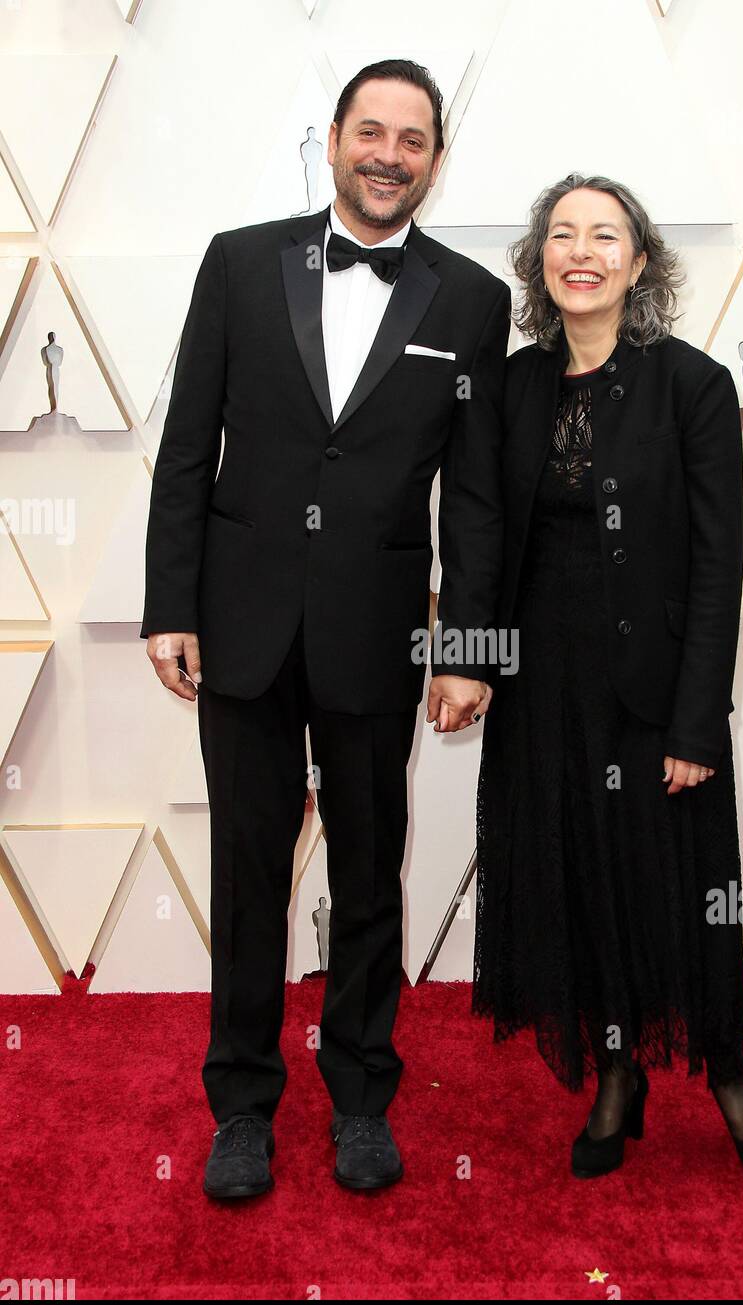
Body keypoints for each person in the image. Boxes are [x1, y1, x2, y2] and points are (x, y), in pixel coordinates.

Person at [141, 59, 510, 1196]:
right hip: (241, 620)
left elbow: (480, 491)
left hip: (377, 628)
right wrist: (170, 604)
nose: (388, 155)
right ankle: (242, 1103)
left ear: (435, 161)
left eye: (412, 139)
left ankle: (361, 1093)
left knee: (369, 870)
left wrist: (467, 643)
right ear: (335, 139)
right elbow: (187, 443)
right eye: (371, 131)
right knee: (246, 872)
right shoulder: (242, 261)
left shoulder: (472, 299)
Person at [472, 173, 743, 1185]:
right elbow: (476, 542)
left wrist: (698, 722)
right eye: (561, 235)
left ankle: (730, 1074)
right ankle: (616, 1075)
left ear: (639, 262)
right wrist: (466, 664)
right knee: (578, 883)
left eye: (604, 236)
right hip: (543, 694)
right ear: (539, 262)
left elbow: (717, 566)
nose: (581, 251)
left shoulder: (693, 387)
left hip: (656, 697)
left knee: (683, 889)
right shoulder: (512, 388)